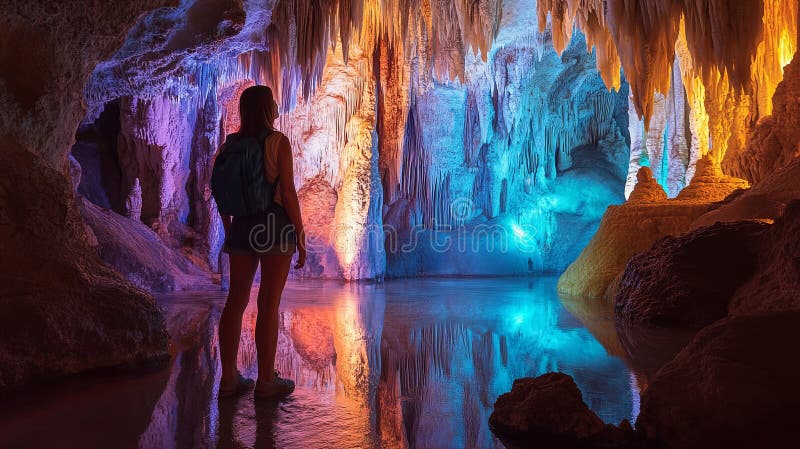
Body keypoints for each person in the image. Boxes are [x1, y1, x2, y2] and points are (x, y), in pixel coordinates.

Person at [216, 85, 306, 399]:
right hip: (273, 226)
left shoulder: (231, 144)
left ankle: (228, 378)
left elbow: (222, 192)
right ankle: (266, 381)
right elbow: (289, 193)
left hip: (242, 226)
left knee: (235, 301)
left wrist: (229, 229)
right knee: (268, 304)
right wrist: (300, 233)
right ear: (268, 109)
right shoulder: (277, 141)